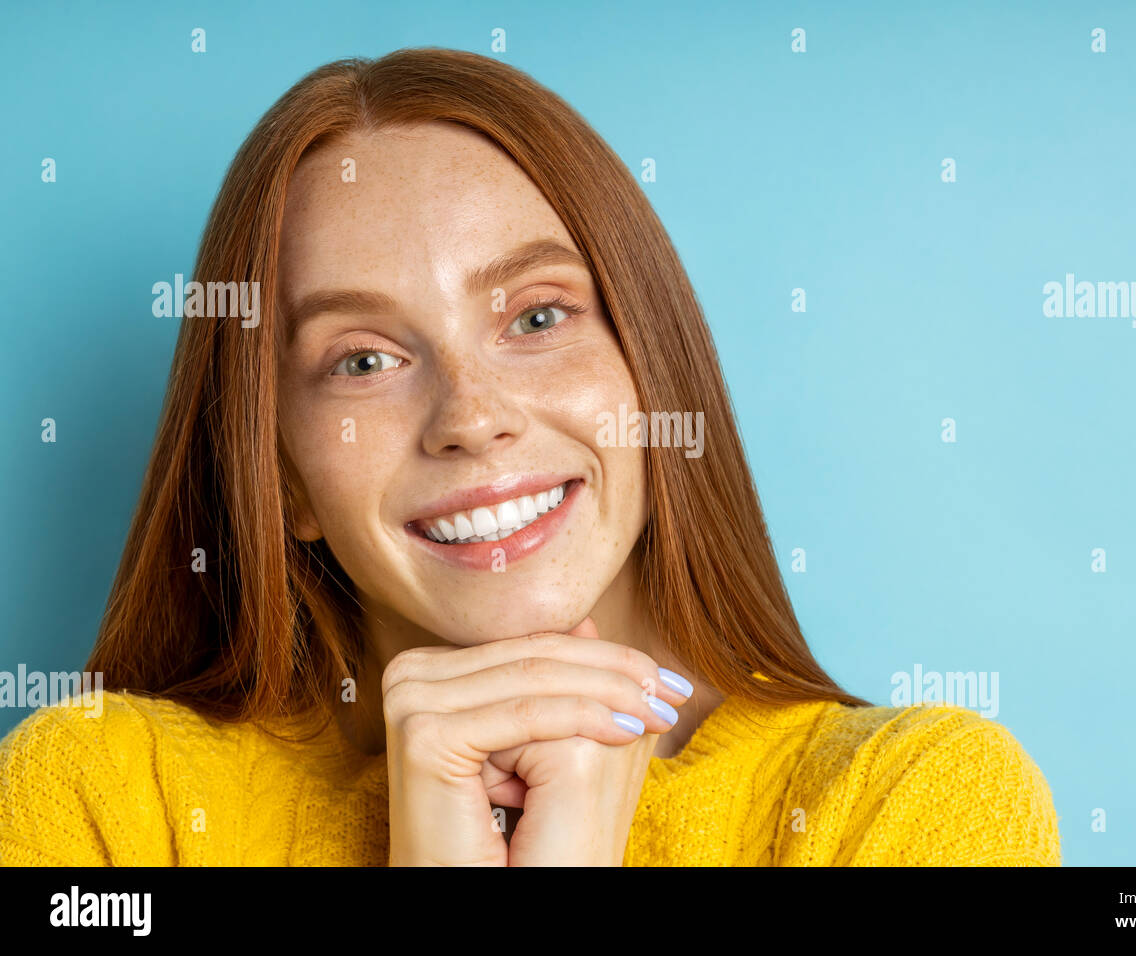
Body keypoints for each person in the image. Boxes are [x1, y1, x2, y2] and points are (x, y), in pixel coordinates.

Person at [0, 48, 1060, 866]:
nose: (472, 414)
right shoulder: (101, 801)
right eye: (362, 357)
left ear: (654, 371)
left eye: (538, 315)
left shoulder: (911, 804)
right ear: (279, 475)